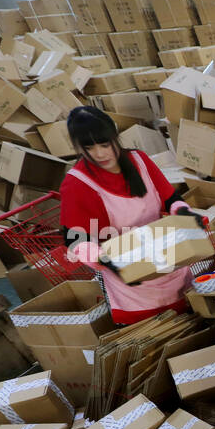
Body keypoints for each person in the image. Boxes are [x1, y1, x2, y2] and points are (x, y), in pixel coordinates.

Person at [61, 106, 205, 324]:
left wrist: (184, 212)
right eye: (89, 147)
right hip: (132, 282)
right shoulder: (77, 184)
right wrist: (105, 260)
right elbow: (74, 238)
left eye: (105, 144)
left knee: (198, 323)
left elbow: (170, 199)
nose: (99, 154)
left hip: (171, 263)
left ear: (115, 137)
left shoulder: (140, 161)